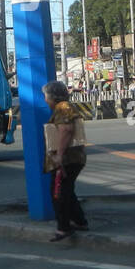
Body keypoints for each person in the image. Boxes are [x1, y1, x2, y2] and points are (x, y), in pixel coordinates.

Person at [43, 80, 88, 241]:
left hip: (68, 158)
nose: (45, 100)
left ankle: (64, 228)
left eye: (46, 96)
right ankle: (80, 221)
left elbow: (66, 130)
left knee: (58, 193)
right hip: (74, 157)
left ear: (52, 96)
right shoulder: (65, 107)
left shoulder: (62, 108)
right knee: (67, 191)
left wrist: (59, 156)